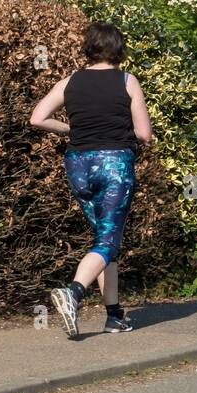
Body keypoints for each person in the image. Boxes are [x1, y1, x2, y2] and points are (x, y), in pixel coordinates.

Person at [30, 21, 153, 338]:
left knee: (104, 240)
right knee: (108, 241)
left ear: (88, 49)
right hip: (114, 165)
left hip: (78, 166)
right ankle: (73, 293)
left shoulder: (69, 82)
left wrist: (71, 130)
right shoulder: (127, 81)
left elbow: (38, 118)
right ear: (119, 49)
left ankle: (114, 317)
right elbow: (144, 134)